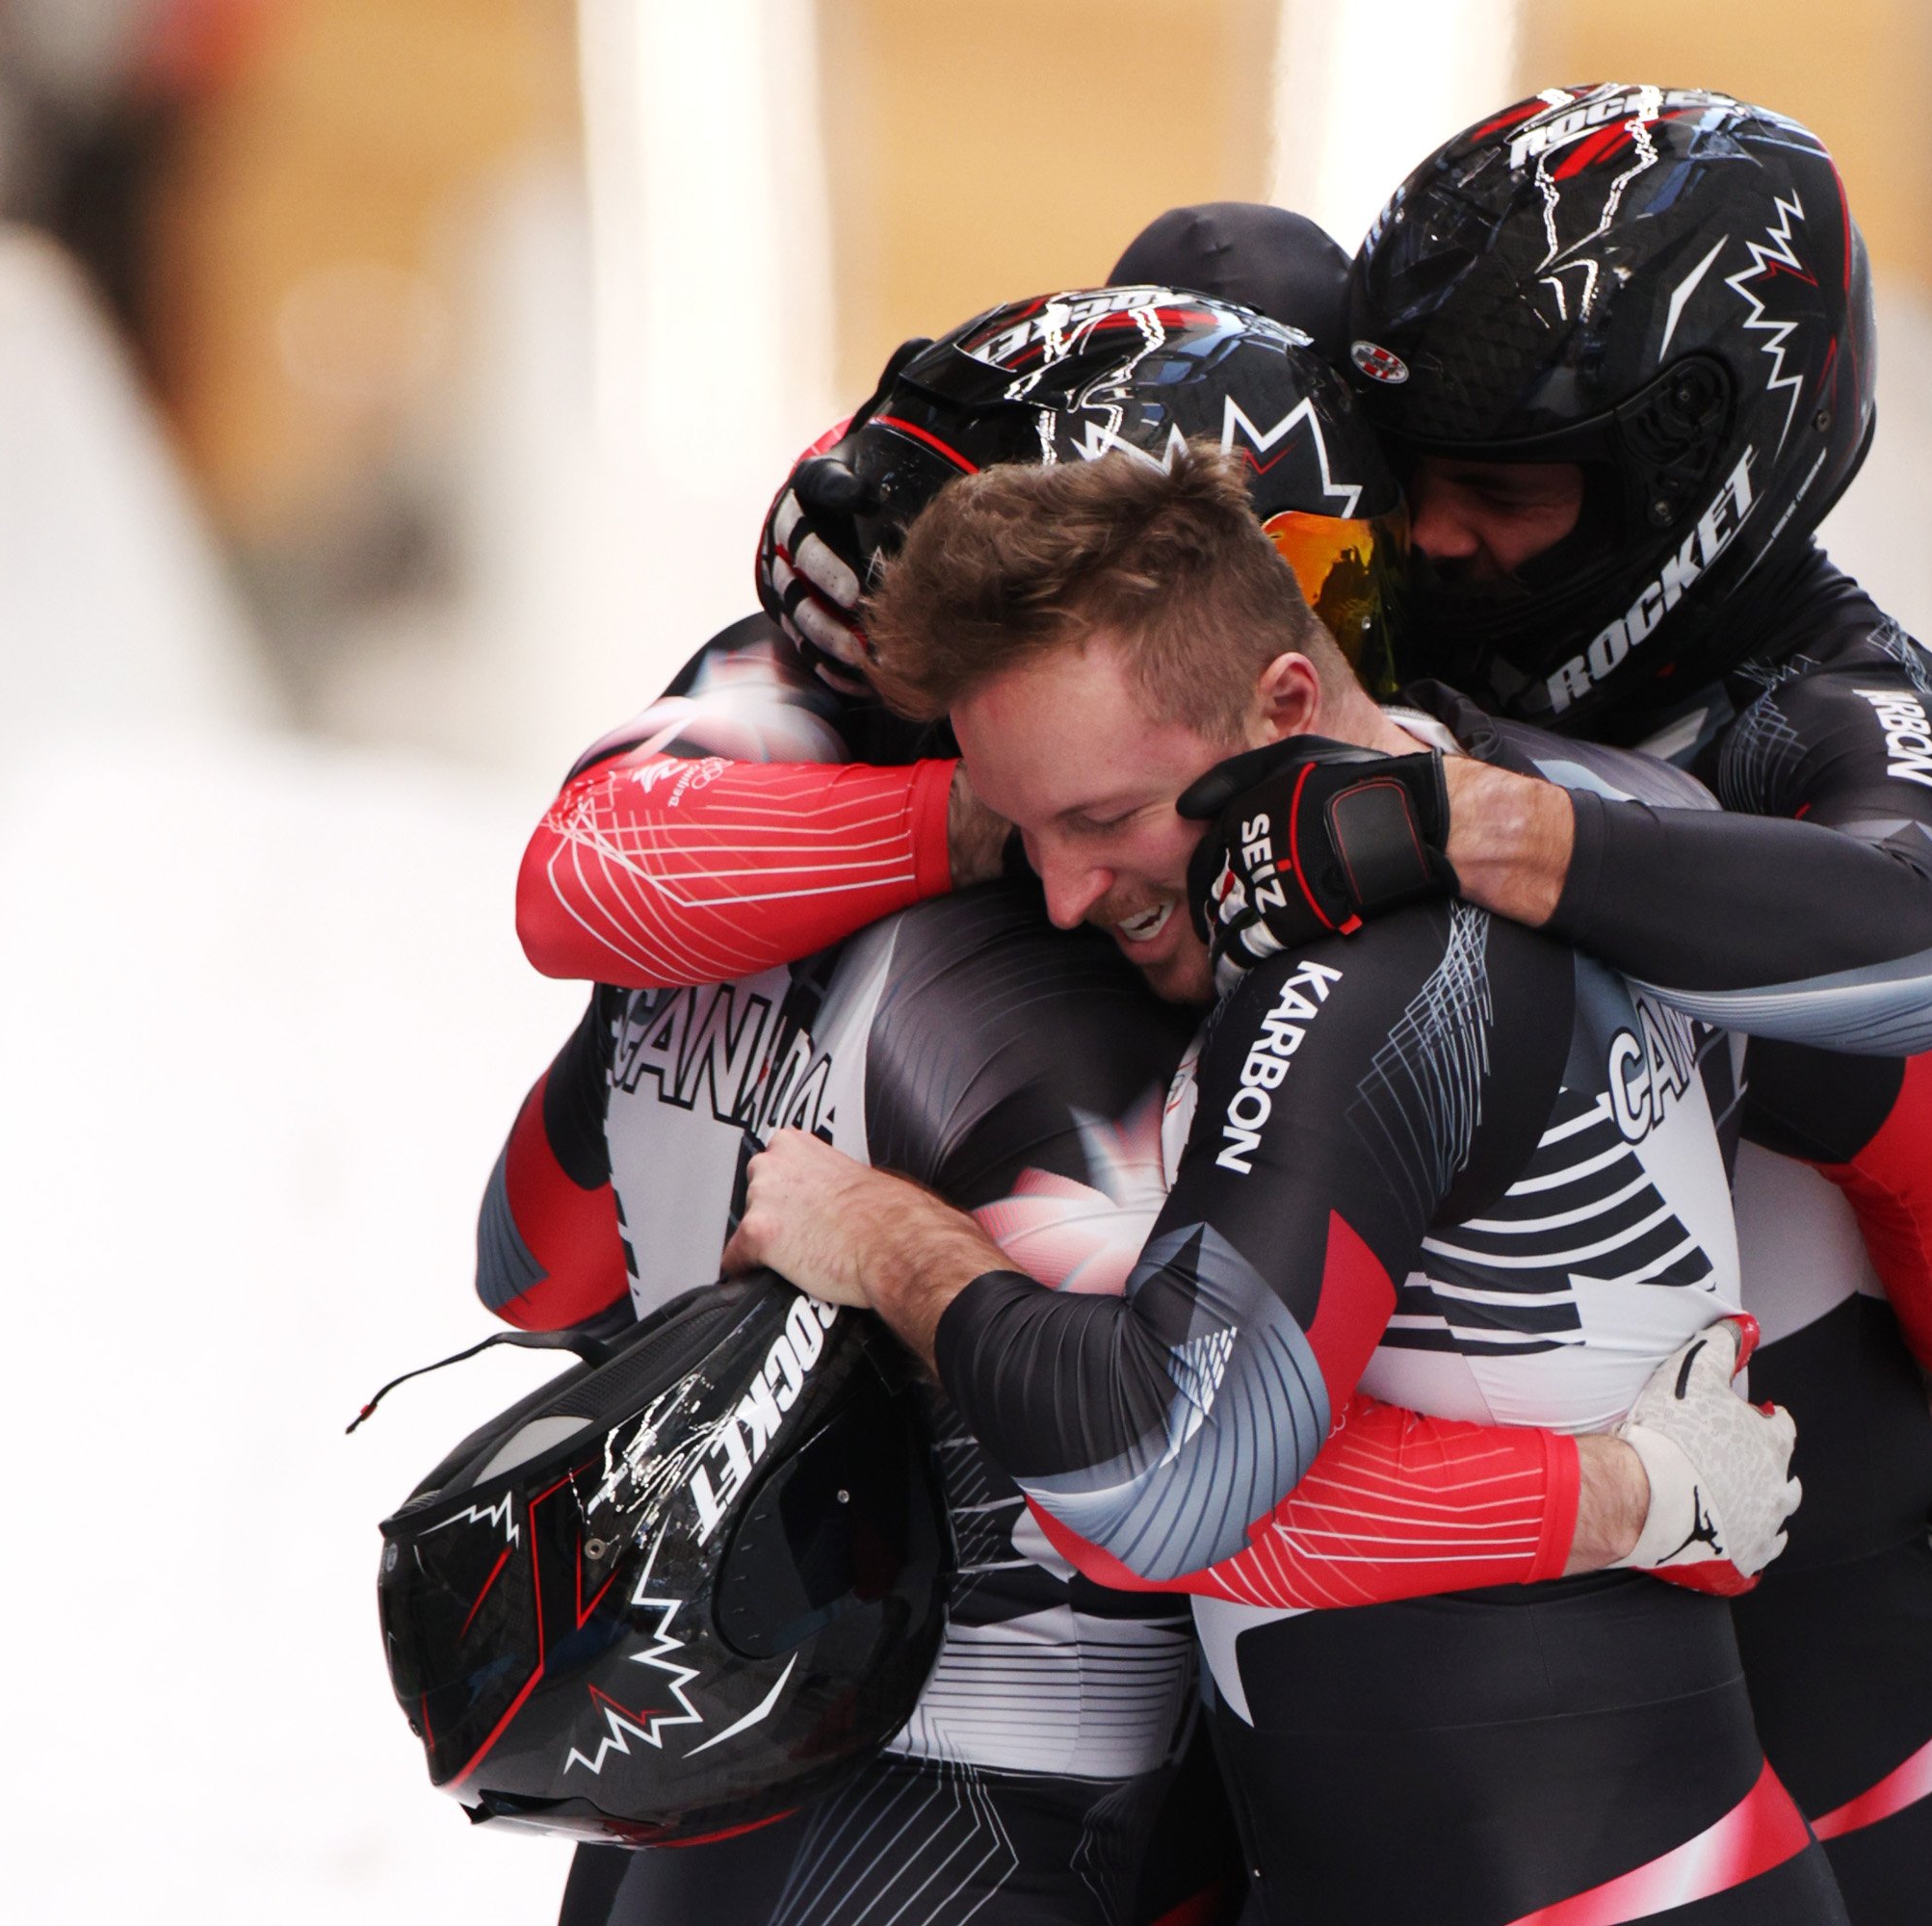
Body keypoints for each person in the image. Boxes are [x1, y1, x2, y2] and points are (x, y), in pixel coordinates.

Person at [723, 443, 1845, 1924]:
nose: (1059, 897)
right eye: (1029, 829)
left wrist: (883, 1243)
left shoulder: (1379, 976)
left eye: (1104, 820)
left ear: (1287, 708)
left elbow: (1163, 1467)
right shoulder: (1502, 852)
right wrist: (1629, 1497)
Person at [1173, 87, 1932, 1921]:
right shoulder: (1398, 622)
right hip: (1376, 1689)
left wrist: (1477, 831)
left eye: (1505, 492)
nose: (1441, 544)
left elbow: (1930, 930)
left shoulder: (1840, 708)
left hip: (1804, 1708)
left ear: (1696, 463)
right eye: (1421, 486)